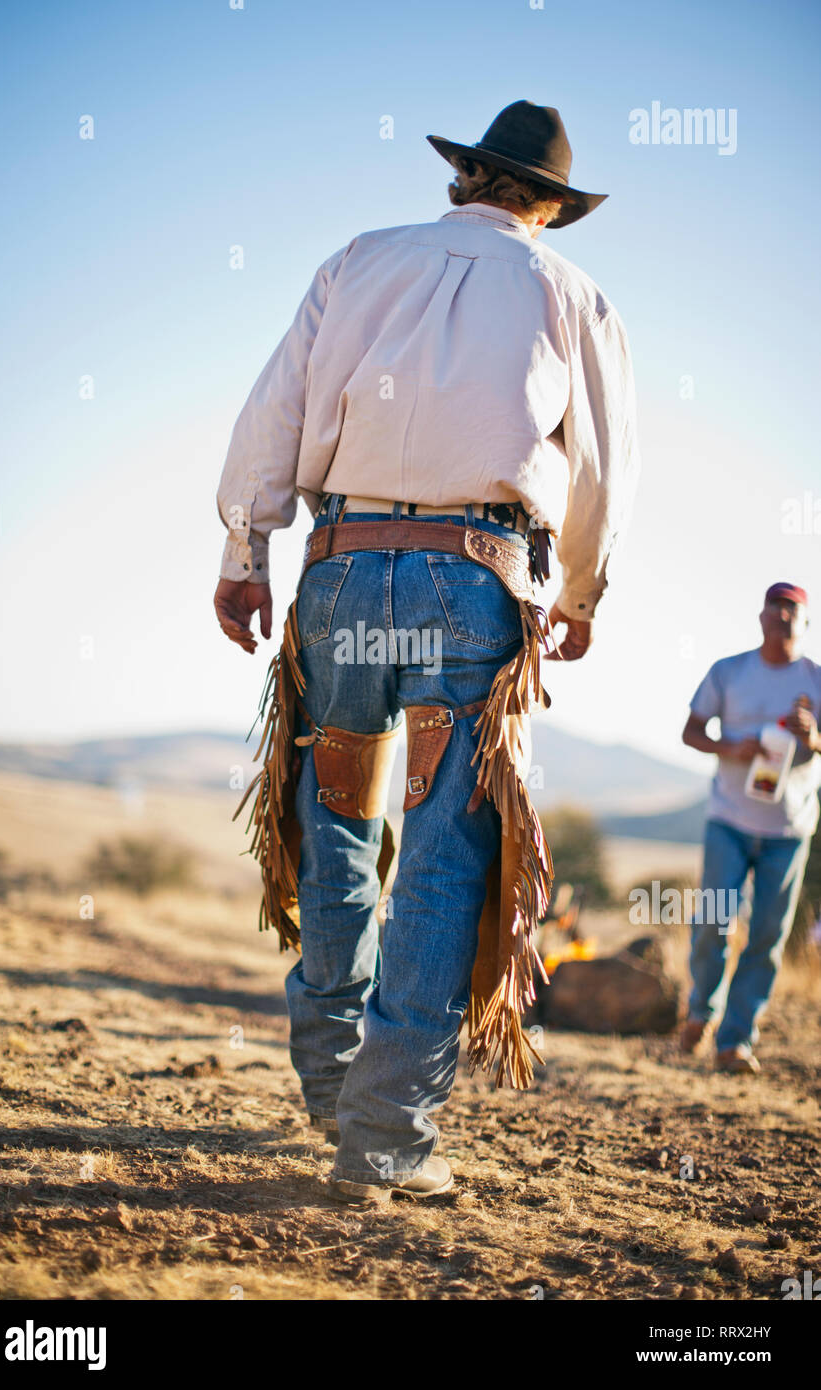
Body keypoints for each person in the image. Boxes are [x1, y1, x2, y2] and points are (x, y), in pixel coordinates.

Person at [214, 100, 641, 1203]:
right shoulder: (569, 294)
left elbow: (273, 410)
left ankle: (328, 1081)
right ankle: (385, 1134)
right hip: (474, 574)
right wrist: (583, 589)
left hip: (345, 562)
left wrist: (245, 548)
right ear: (546, 203)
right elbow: (598, 465)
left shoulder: (358, 261)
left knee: (337, 820)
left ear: (465, 180)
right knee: (448, 855)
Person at [680, 583, 821, 1074]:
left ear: (805, 623)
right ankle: (701, 1011)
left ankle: (734, 1041)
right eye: (775, 606)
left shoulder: (817, 681)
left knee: (766, 935)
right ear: (761, 615)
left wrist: (814, 737)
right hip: (730, 821)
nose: (782, 614)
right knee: (713, 924)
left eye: (793, 609)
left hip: (790, 828)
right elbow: (691, 731)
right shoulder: (729, 671)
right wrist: (728, 748)